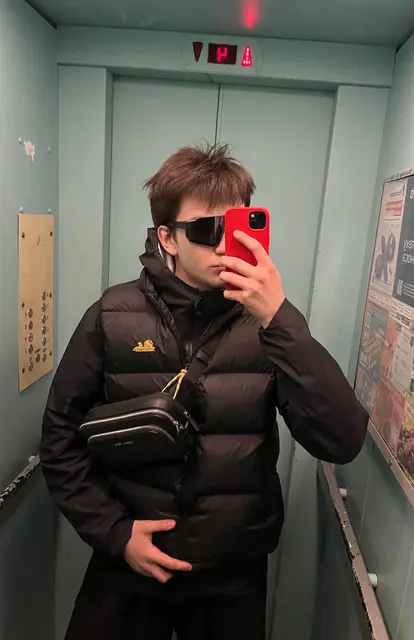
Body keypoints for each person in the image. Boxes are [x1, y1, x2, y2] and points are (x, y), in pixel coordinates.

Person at [40, 143, 368, 640]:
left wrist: (280, 318)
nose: (222, 245)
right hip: (128, 563)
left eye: (232, 227)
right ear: (167, 238)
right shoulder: (111, 316)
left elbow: (341, 439)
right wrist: (114, 531)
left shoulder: (269, 326)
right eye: (205, 229)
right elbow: (59, 438)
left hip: (230, 576)